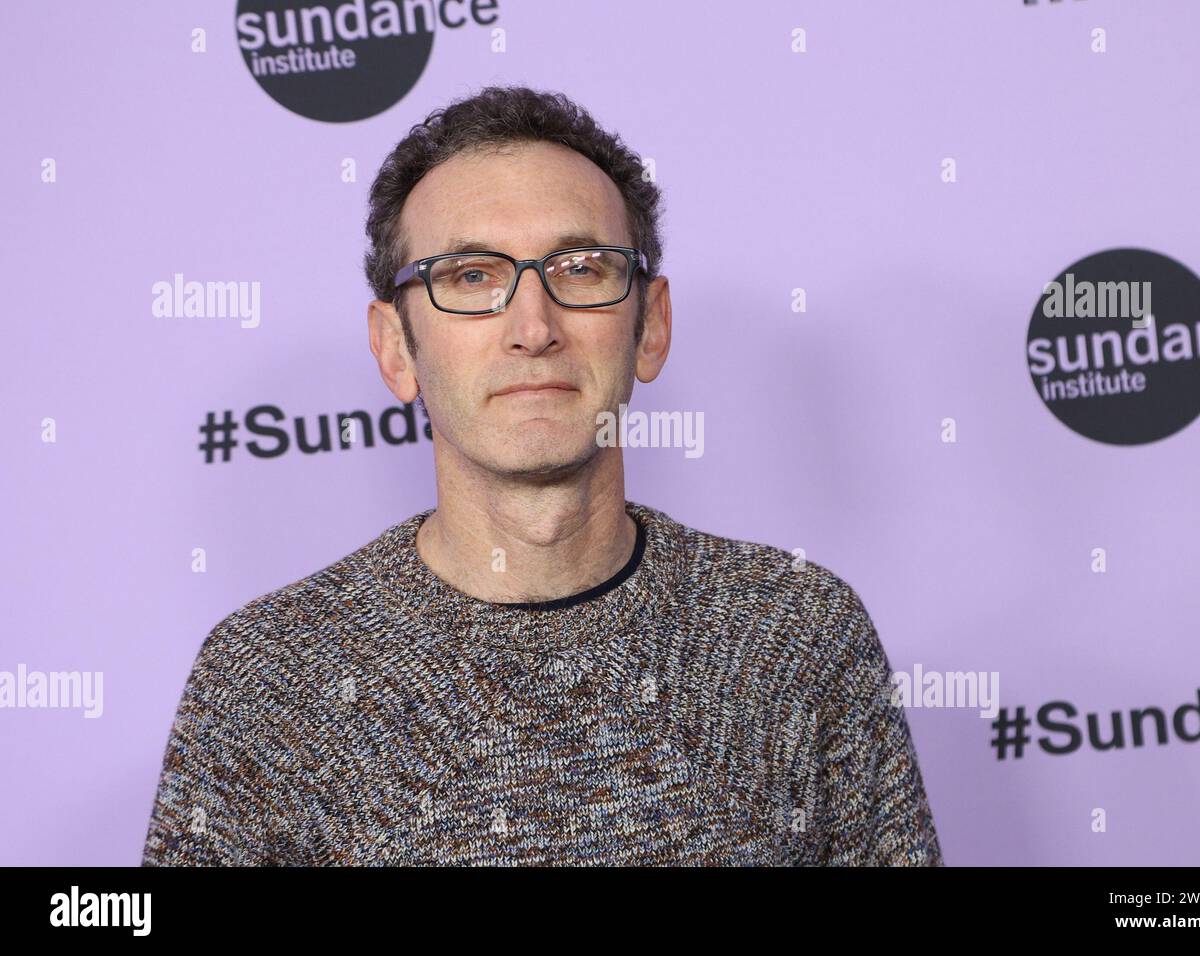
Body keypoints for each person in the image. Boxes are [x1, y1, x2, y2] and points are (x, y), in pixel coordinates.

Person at [141, 85, 942, 866]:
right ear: (395, 349)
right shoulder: (273, 677)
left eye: (580, 268)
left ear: (650, 326)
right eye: (470, 277)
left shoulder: (796, 635)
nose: (533, 328)